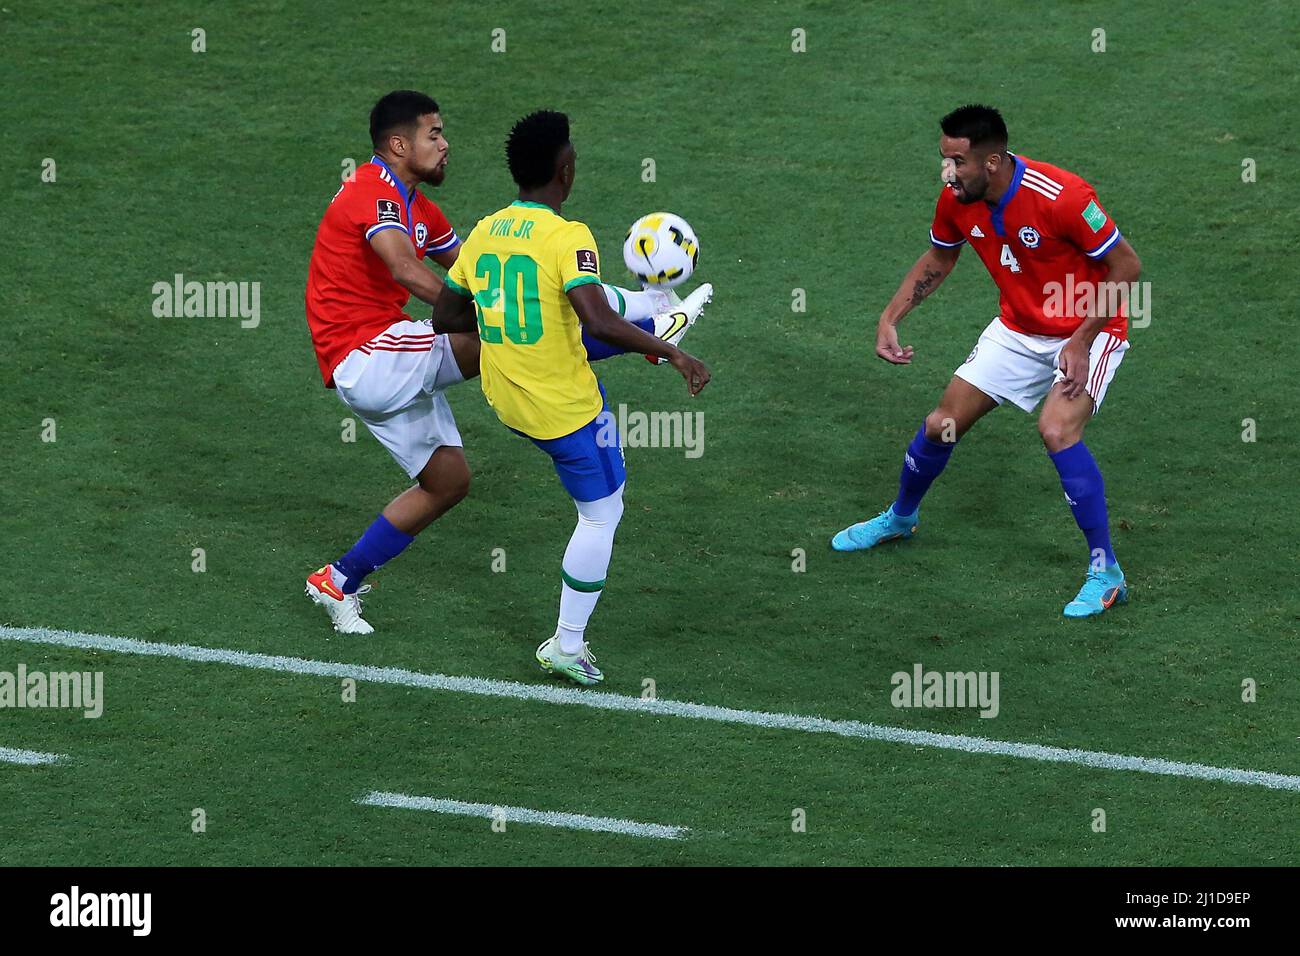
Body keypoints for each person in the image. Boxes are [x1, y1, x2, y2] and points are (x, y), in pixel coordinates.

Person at [832, 104, 1142, 619]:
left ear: (993, 161)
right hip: (1018, 328)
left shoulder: (1063, 197)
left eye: (958, 161)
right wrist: (890, 317)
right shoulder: (957, 199)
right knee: (941, 425)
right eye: (944, 159)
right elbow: (940, 257)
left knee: (1057, 431)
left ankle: (1106, 572)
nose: (947, 172)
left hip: (1089, 328)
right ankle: (900, 518)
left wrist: (1083, 339)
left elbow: (1127, 264)